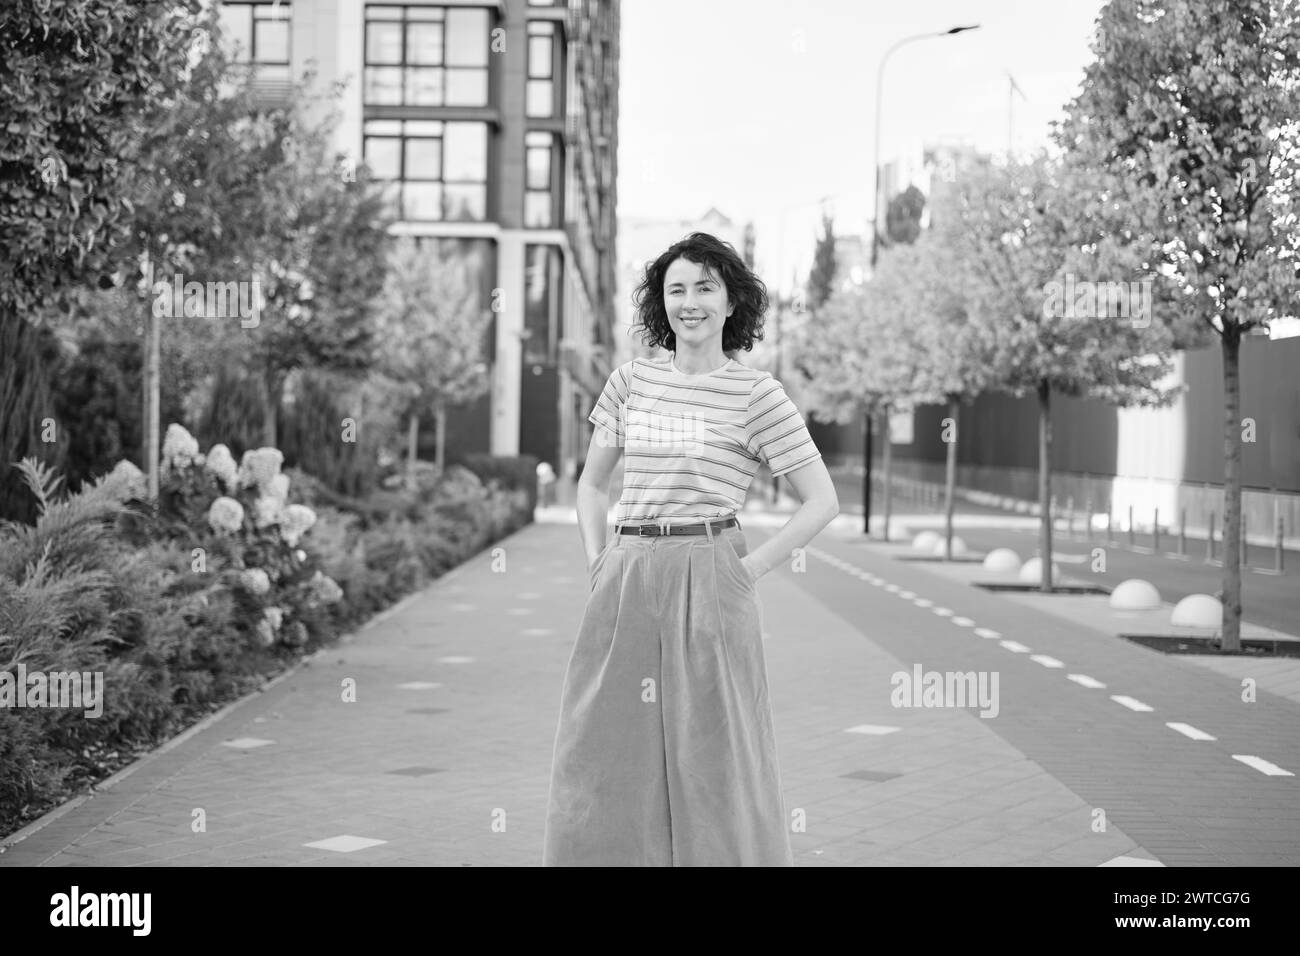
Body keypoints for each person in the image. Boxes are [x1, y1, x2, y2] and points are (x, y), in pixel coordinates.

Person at [542, 231, 840, 866]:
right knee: (602, 744)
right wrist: (600, 562)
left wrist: (747, 569)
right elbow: (591, 485)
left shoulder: (758, 395)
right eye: (676, 289)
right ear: (661, 304)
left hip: (710, 573)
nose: (690, 301)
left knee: (715, 751)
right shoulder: (629, 383)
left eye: (705, 287)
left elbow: (822, 500)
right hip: (626, 574)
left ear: (732, 303)